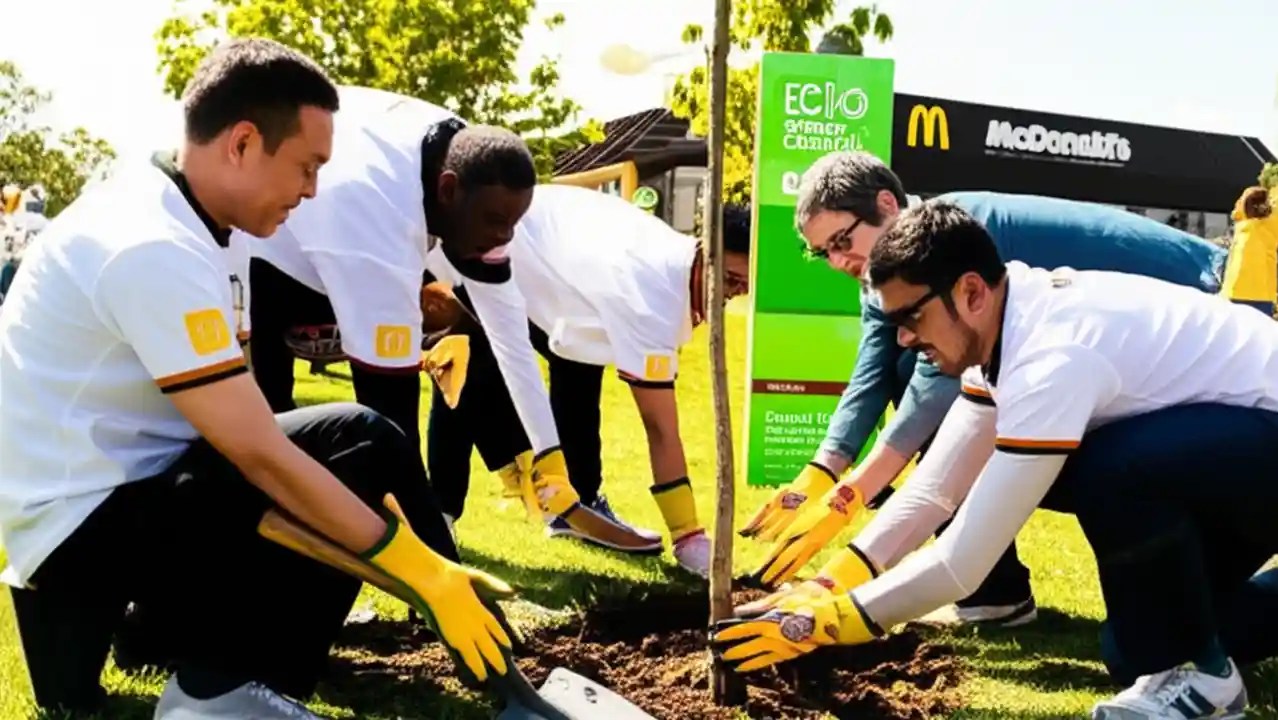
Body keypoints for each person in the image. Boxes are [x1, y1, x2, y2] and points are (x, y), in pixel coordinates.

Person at [0, 39, 518, 719]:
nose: (311, 190)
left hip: (112, 502)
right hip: (77, 532)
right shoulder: (153, 244)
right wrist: (420, 570)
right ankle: (219, 691)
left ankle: (170, 641)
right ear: (242, 144)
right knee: (352, 448)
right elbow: (259, 455)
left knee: (356, 440)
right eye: (307, 167)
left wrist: (414, 565)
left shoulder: (206, 225)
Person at [713, 199, 1278, 719]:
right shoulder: (1006, 332)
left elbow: (964, 563)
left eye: (910, 318)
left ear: (971, 293)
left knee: (1110, 468)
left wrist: (833, 623)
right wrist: (834, 582)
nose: (905, 340)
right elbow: (936, 492)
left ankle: (1207, 678)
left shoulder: (1050, 358)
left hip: (1260, 443)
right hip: (1238, 458)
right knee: (1136, 650)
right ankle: (1193, 652)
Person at [737, 150, 1228, 627]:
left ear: (888, 205)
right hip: (1121, 364)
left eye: (842, 241)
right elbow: (873, 369)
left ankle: (1191, 601)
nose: (838, 261)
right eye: (824, 252)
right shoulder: (886, 276)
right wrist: (823, 471)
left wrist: (852, 500)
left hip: (1214, 301)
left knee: (1106, 471)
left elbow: (934, 389)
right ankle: (998, 595)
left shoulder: (948, 239)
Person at [243, 86, 656, 555]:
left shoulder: (475, 180)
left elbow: (514, 347)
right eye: (495, 222)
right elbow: (390, 414)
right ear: (448, 191)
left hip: (347, 215)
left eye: (514, 223)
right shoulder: (377, 226)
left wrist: (551, 462)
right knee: (276, 437)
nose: (504, 237)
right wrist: (443, 568)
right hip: (265, 256)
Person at [423, 185, 753, 577]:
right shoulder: (648, 298)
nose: (735, 294)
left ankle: (577, 503)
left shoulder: (668, 271)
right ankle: (437, 517)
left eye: (745, 286)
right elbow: (660, 426)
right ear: (705, 251)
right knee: (464, 366)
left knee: (580, 363)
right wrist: (688, 535)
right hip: (492, 247)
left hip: (562, 272)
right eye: (731, 280)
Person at [1218, 185, 1278, 316]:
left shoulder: (1241, 226)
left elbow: (1238, 210)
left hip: (1234, 291)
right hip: (1262, 294)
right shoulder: (1271, 226)